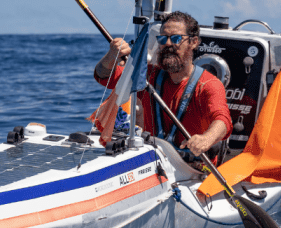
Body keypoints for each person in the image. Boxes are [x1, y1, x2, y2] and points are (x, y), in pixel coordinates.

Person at [94, 11, 232, 161]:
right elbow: (104, 76)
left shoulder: (208, 84)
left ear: (193, 42)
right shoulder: (147, 76)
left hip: (192, 168)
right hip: (152, 162)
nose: (167, 44)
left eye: (176, 38)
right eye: (162, 38)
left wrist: (206, 139)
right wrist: (112, 55)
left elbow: (223, 120)